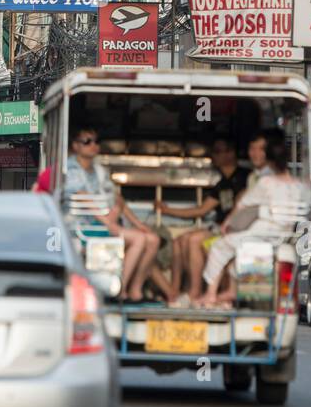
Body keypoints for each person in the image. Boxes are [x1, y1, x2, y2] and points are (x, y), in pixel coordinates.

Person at [195, 130, 311, 308]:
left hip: (260, 234)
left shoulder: (266, 183)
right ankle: (233, 290)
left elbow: (243, 204)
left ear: (269, 160)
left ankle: (210, 294)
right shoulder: (302, 187)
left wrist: (227, 224)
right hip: (284, 236)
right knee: (234, 255)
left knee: (220, 247)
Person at [61, 126, 161, 303]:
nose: (93, 145)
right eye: (87, 142)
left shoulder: (99, 171)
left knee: (152, 239)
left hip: (102, 226)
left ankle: (135, 291)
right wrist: (109, 222)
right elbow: (82, 197)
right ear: (75, 146)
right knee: (139, 240)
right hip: (80, 229)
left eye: (96, 141)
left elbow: (116, 198)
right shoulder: (70, 168)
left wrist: (139, 224)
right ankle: (118, 290)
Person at [155, 138, 247, 306]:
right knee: (179, 241)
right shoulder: (222, 184)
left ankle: (195, 291)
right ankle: (176, 291)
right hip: (220, 229)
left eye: (219, 151)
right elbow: (201, 210)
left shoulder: (245, 177)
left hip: (235, 231)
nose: (214, 156)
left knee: (194, 239)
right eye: (214, 152)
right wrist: (167, 210)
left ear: (231, 153)